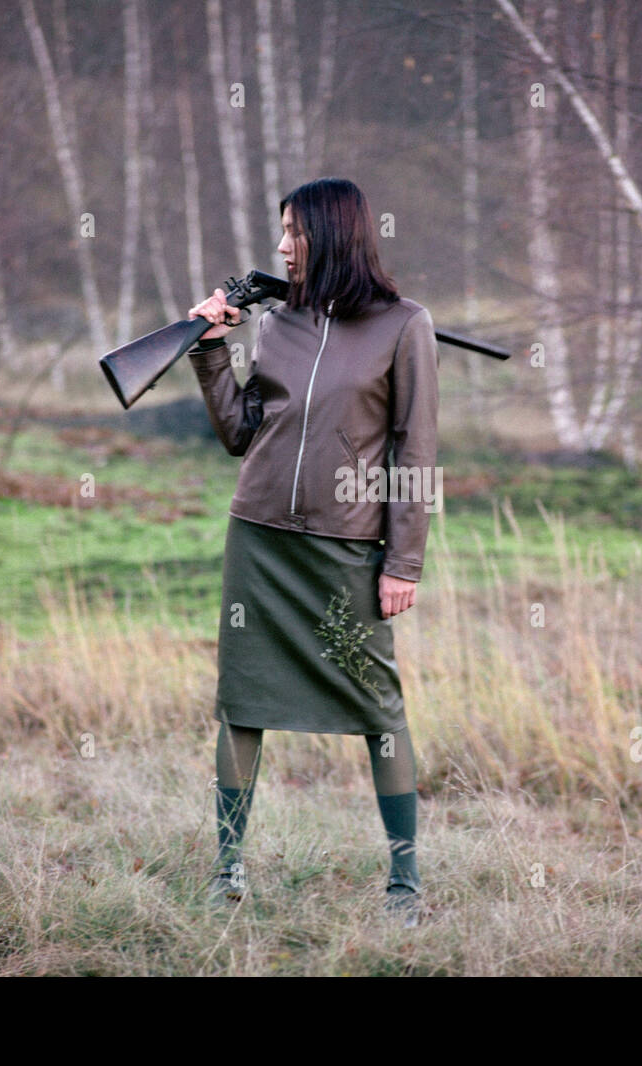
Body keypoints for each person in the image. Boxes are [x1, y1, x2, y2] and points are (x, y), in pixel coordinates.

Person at [185, 177, 439, 927]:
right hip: (258, 542)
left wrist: (404, 560)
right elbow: (241, 434)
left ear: (331, 235)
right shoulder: (277, 324)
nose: (282, 246)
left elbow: (414, 449)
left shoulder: (405, 325)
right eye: (281, 232)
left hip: (346, 551)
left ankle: (404, 885)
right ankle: (227, 870)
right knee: (242, 706)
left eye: (294, 232)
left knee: (380, 713)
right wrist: (210, 351)